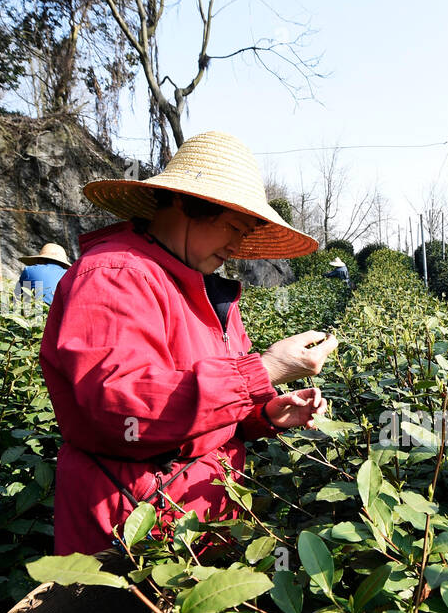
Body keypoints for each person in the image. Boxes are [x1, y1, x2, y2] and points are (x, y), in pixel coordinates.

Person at [39, 131, 339, 557]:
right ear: (183, 203)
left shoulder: (204, 288)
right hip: (132, 523)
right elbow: (124, 411)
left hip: (203, 515)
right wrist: (267, 367)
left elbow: (211, 405)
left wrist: (265, 414)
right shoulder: (115, 275)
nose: (237, 246)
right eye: (234, 226)